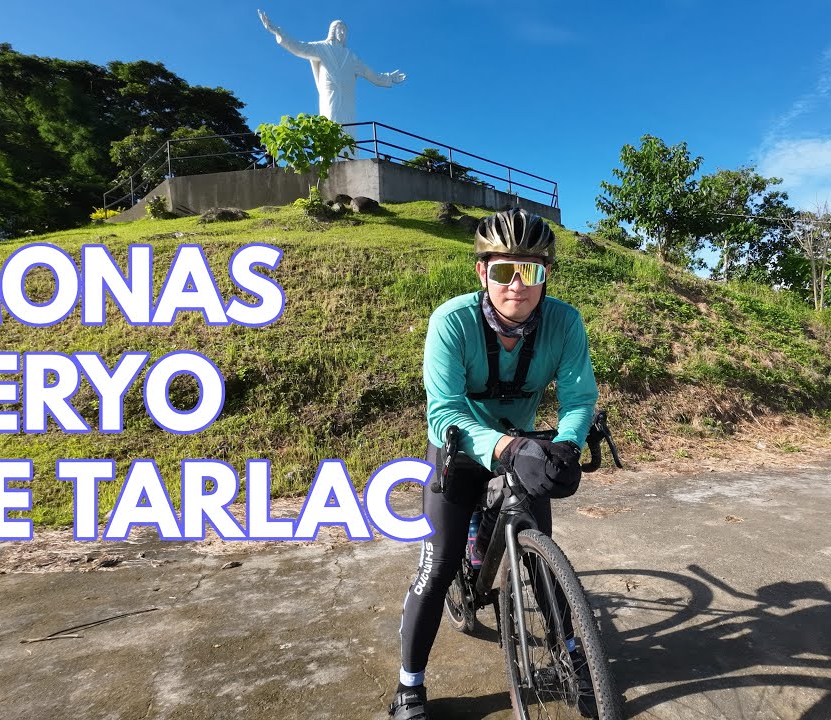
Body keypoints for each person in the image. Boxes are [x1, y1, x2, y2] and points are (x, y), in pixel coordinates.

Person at [390, 209, 600, 719]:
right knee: (438, 566)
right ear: (483, 272)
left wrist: (567, 445)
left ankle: (570, 653)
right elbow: (443, 408)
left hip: (524, 442)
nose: (518, 285)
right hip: (459, 445)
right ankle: (409, 685)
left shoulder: (564, 322)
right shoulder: (451, 321)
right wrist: (506, 448)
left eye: (532, 271)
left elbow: (578, 397)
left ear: (545, 274)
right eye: (505, 271)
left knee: (540, 554)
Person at [257, 10, 406, 125]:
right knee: (330, 123)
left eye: (345, 31)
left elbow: (370, 73)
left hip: (348, 99)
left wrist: (388, 78)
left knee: (349, 129)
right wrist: (278, 31)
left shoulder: (351, 56)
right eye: (340, 29)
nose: (343, 33)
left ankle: (351, 160)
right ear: (333, 31)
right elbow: (299, 47)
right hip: (331, 93)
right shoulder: (321, 48)